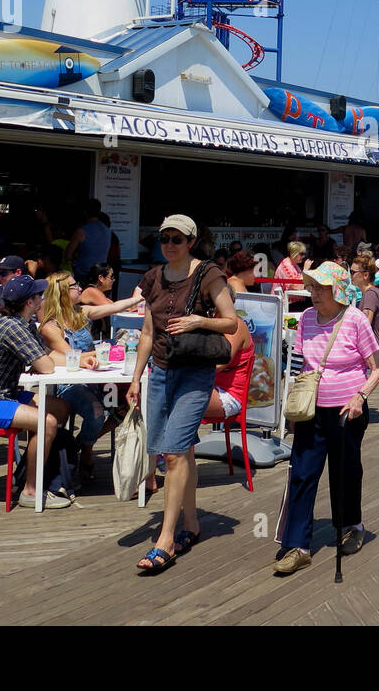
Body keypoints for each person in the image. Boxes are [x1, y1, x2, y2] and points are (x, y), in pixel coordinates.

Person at [127, 215, 239, 572]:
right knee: (177, 450)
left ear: (191, 241)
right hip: (160, 372)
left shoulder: (208, 274)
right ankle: (191, 524)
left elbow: (232, 322)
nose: (169, 243)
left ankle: (166, 539)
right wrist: (135, 377)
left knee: (173, 454)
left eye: (176, 238)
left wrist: (198, 321)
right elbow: (147, 331)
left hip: (194, 373)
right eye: (164, 237)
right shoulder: (155, 277)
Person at [274, 261, 379, 576]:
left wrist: (360, 397)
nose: (314, 293)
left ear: (337, 289)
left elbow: (375, 368)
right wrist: (294, 407)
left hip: (346, 410)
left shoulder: (355, 320)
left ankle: (352, 525)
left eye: (321, 287)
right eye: (312, 287)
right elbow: (300, 364)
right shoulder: (306, 319)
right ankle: (298, 546)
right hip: (311, 410)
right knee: (303, 473)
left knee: (345, 472)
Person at [0, 275, 73, 509]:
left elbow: (45, 357)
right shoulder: (12, 327)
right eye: (39, 295)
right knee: (46, 422)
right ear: (30, 302)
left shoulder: (22, 322)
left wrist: (85, 358)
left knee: (61, 407)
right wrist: (72, 360)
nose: (42, 298)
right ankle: (31, 490)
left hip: (1, 393)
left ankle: (34, 473)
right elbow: (46, 366)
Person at [38, 271, 137, 484]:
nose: (80, 289)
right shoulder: (50, 327)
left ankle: (85, 444)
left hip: (96, 377)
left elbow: (111, 307)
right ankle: (87, 451)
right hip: (69, 383)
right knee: (96, 412)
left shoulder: (79, 313)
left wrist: (137, 298)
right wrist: (106, 351)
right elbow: (72, 357)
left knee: (131, 401)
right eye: (75, 286)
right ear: (63, 292)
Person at [349, 253, 379, 358]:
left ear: (365, 275)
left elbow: (364, 326)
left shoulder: (370, 295)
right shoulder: (369, 293)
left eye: (353, 272)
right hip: (369, 351)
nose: (350, 275)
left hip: (370, 355)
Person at [64, 199, 111, 281]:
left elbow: (68, 255)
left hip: (84, 276)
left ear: (85, 212)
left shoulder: (81, 231)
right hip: (101, 276)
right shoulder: (107, 231)